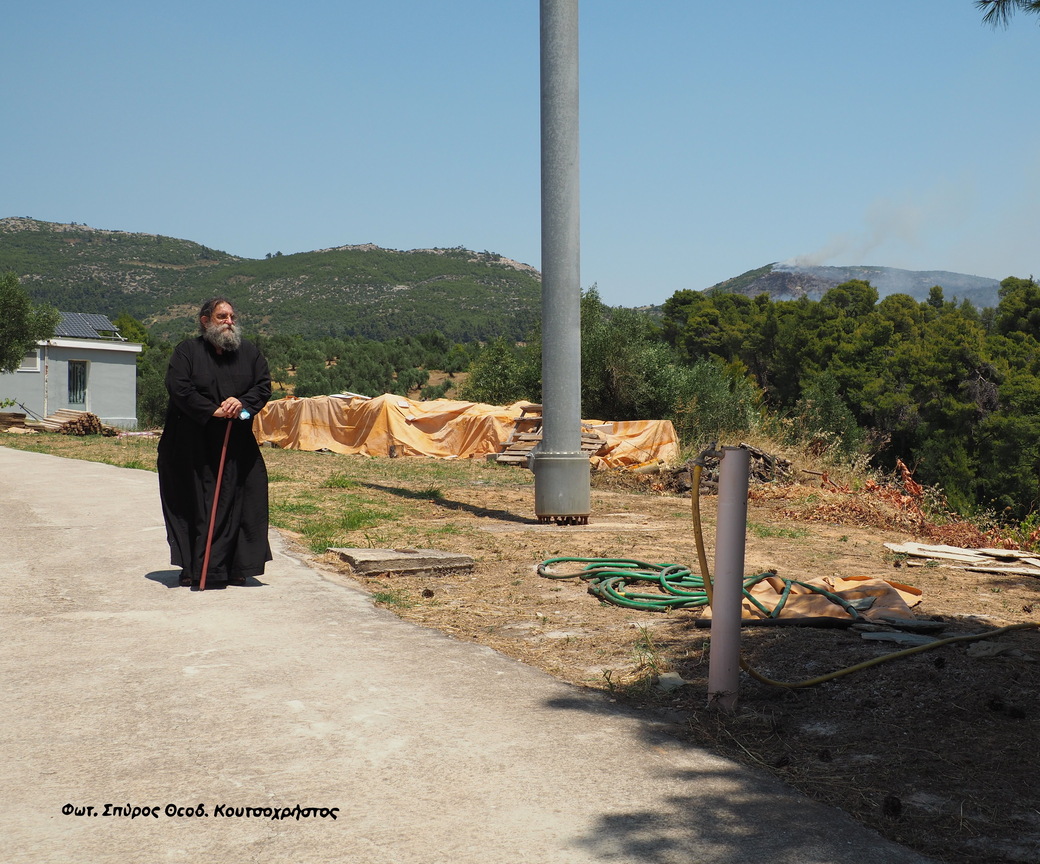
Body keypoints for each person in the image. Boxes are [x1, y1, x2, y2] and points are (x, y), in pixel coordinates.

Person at [157, 298, 273, 588]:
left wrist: (241, 405)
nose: (230, 322)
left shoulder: (249, 353)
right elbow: (179, 388)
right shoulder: (187, 352)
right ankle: (194, 568)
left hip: (236, 445)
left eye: (232, 316)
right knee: (195, 505)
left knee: (242, 503)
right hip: (191, 445)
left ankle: (237, 567)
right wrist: (214, 410)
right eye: (223, 317)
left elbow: (263, 387)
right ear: (205, 320)